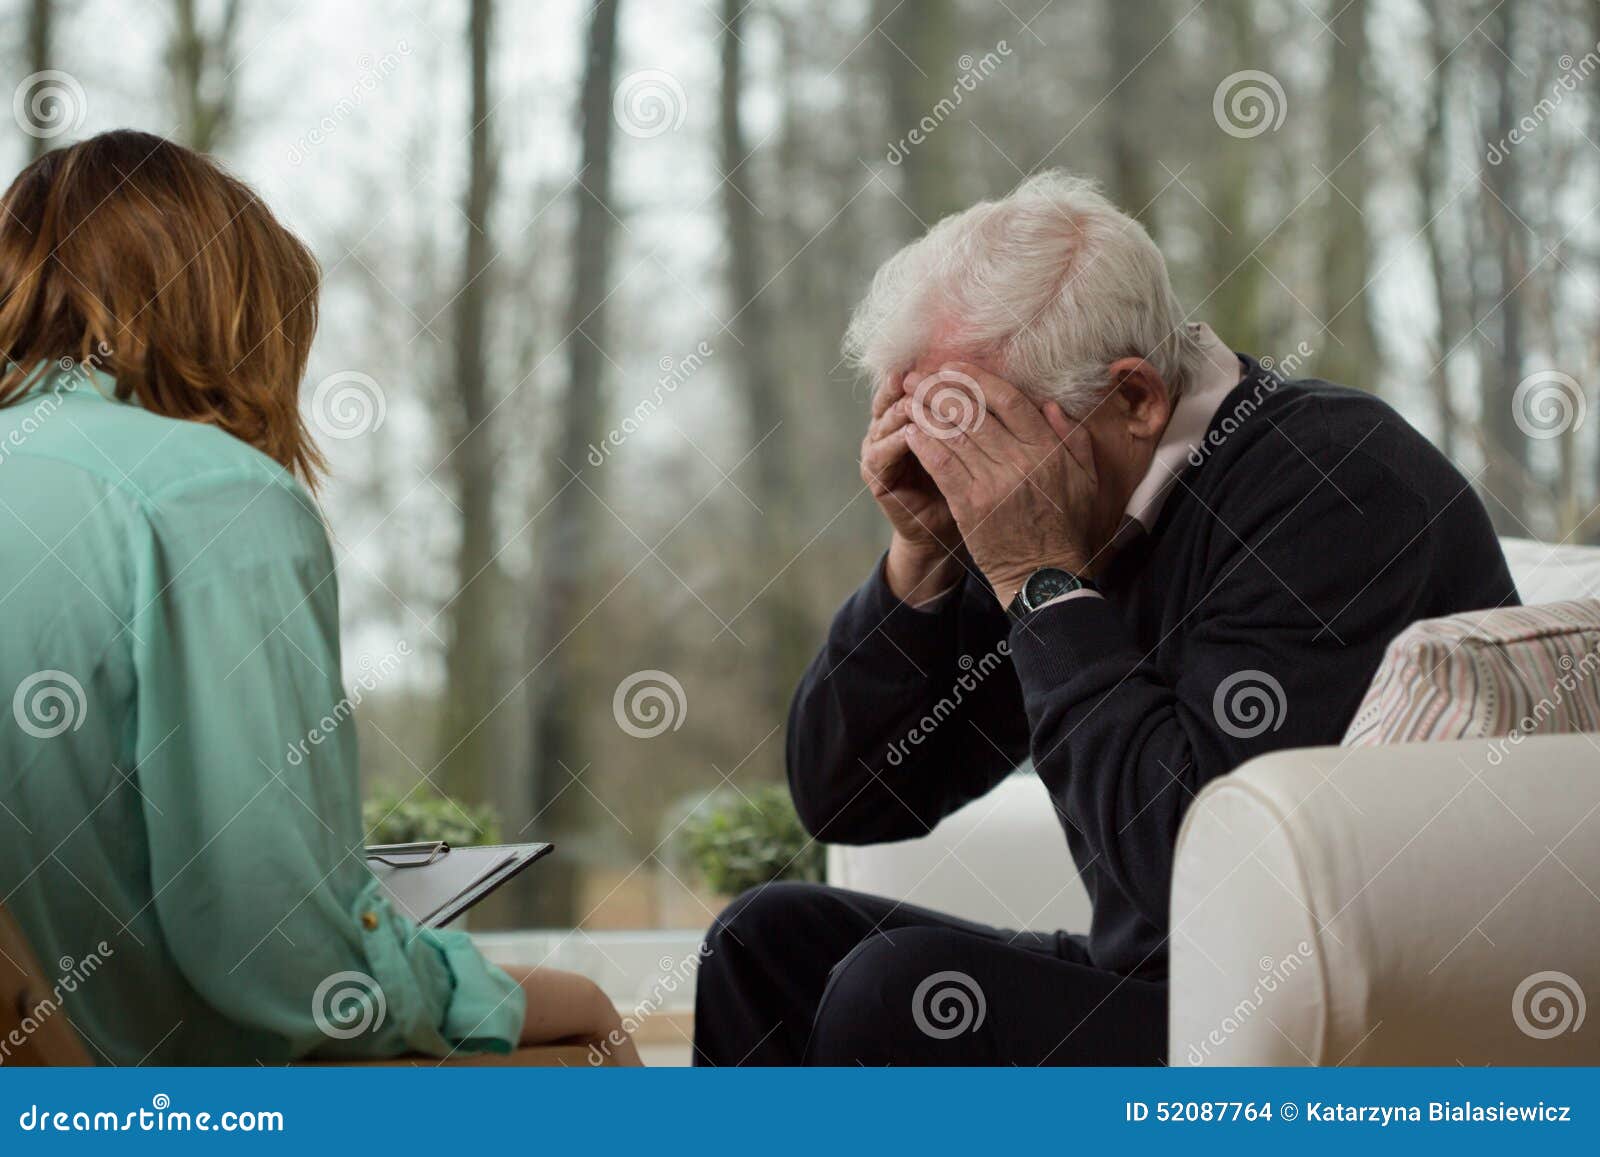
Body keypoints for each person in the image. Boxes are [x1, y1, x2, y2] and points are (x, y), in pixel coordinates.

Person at [694, 171, 1516, 1066]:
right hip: (1170, 986)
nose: (967, 469)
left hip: (1315, 1023)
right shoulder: (1061, 489)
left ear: (1135, 398)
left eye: (984, 430)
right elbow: (845, 797)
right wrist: (921, 557)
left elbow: (1212, 881)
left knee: (899, 995)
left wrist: (1040, 582)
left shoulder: (1335, 485)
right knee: (762, 943)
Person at [0, 130, 638, 1066]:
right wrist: (461, 980)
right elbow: (277, 948)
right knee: (584, 1020)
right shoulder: (210, 496)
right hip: (168, 1092)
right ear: (227, 315)